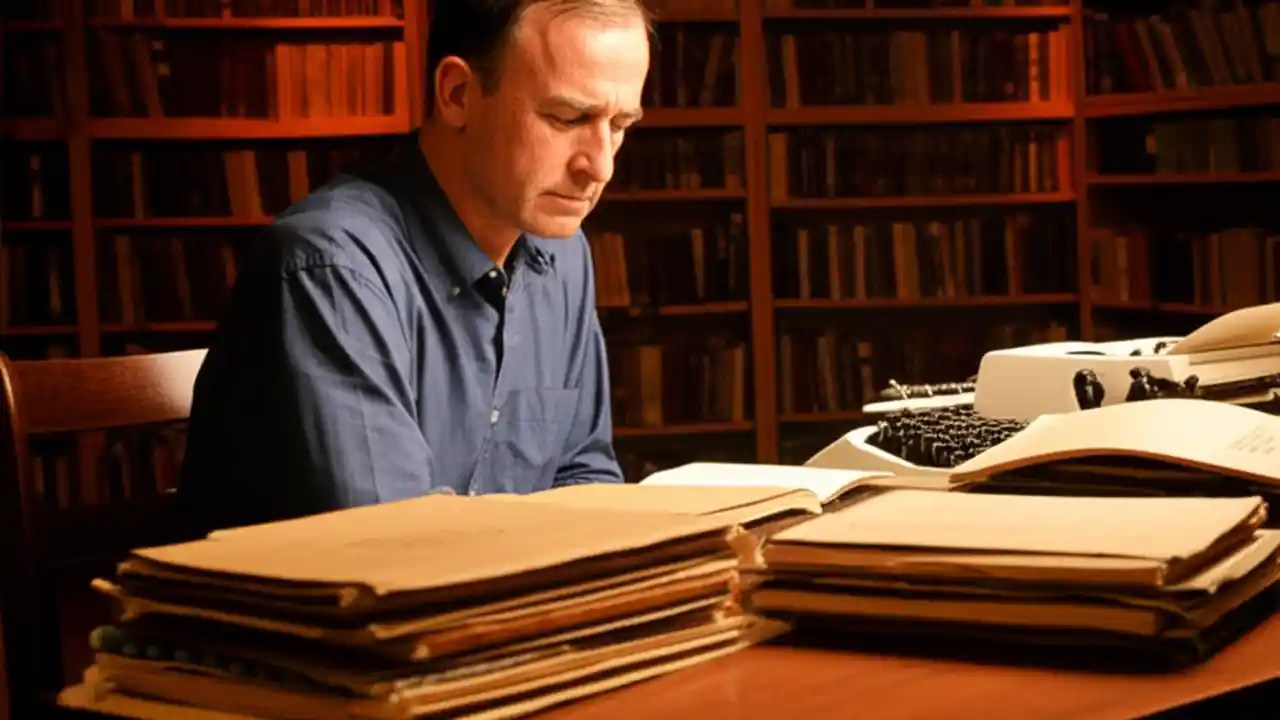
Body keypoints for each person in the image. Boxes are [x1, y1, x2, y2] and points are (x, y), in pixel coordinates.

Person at [177, 0, 651, 533]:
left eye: (620, 125)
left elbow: (583, 478)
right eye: (567, 119)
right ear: (457, 94)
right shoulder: (333, 268)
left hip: (491, 606)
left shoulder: (562, 252)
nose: (600, 166)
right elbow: (394, 545)